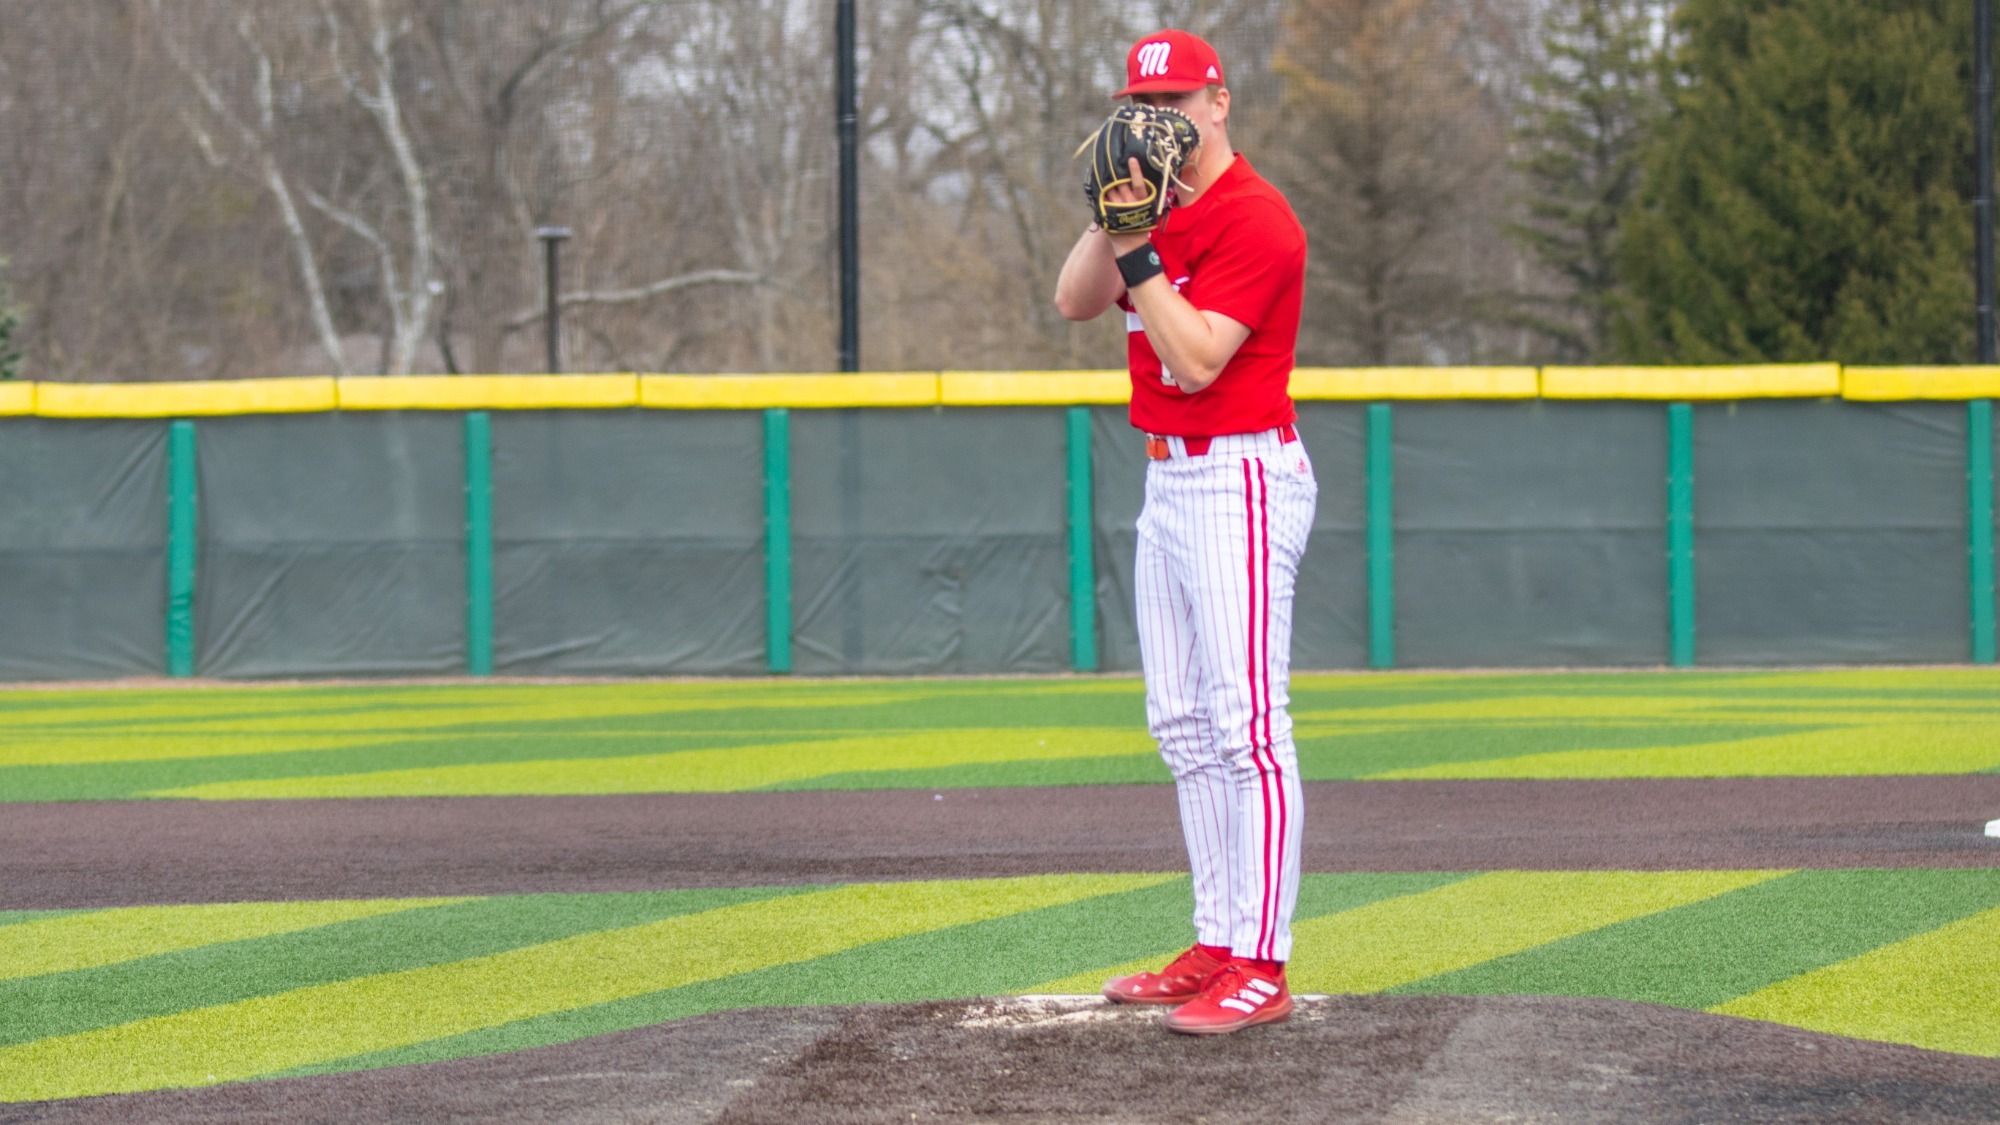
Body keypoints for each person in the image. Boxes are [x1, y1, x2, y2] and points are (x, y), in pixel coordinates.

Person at [1054, 28, 1314, 1036]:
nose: (1158, 119)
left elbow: (1199, 360)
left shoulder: (1259, 219)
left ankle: (1262, 961)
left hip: (1240, 474)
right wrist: (1110, 217)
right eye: (1142, 104)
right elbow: (1073, 302)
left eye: (1175, 102)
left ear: (1219, 102)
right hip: (1167, 480)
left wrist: (1137, 245)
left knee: (1248, 725)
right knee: (1178, 722)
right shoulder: (1146, 206)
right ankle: (1216, 941)